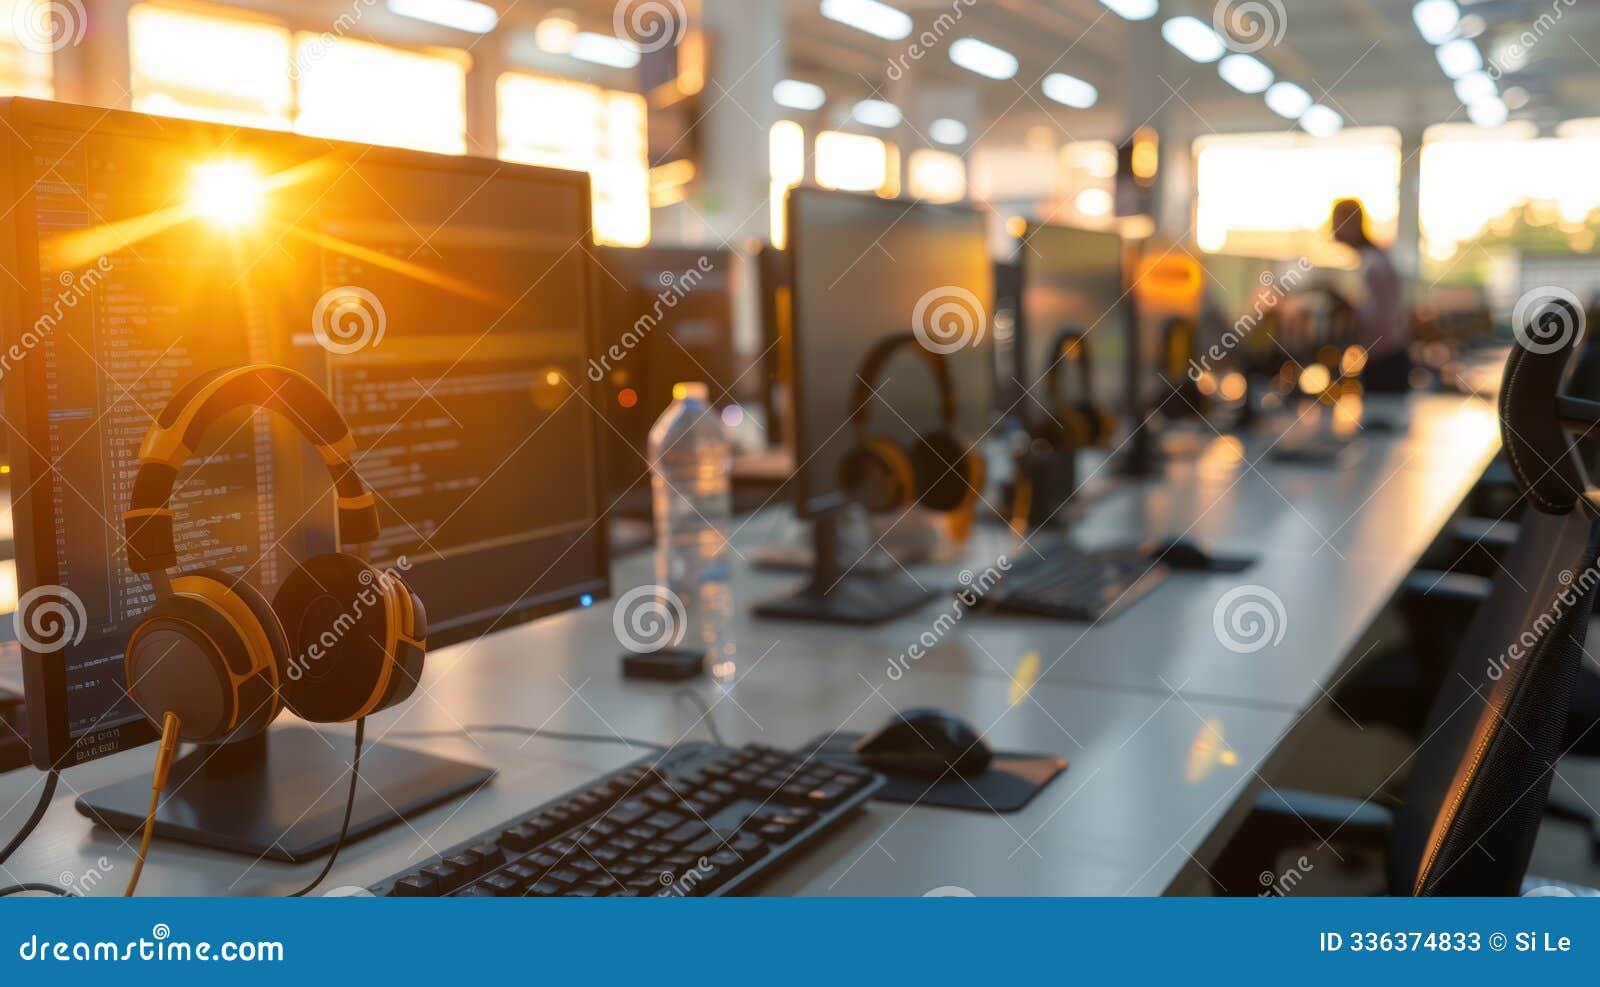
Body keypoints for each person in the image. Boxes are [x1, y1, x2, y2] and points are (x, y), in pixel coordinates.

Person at [1330, 198, 1411, 392]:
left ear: (1351, 224)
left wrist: (1345, 307)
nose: (1332, 231)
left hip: (1386, 363)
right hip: (1388, 358)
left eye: (1336, 223)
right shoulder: (1376, 259)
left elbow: (1378, 321)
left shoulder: (1373, 265)